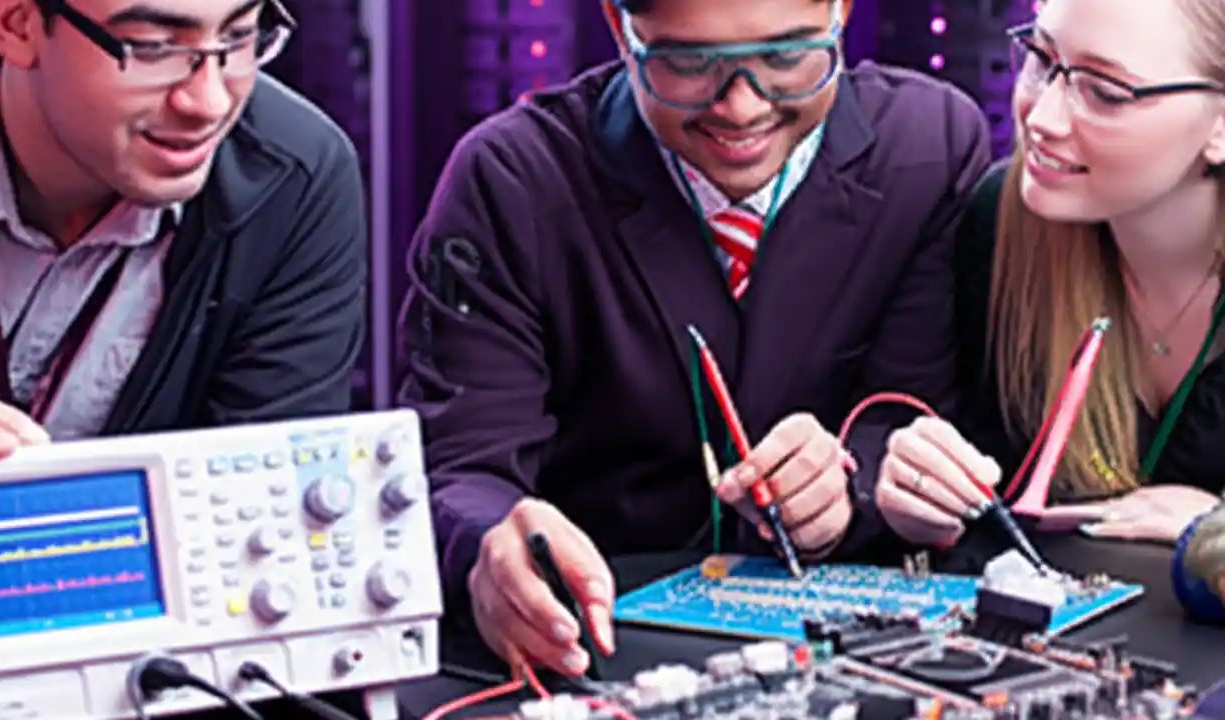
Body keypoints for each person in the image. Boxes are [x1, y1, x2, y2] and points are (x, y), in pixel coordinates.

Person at [398, 0, 991, 676]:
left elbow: (910, 414)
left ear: (841, 13)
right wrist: (492, 545)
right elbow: (462, 467)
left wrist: (851, 486)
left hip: (841, 649)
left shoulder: (929, 148)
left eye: (785, 56)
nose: (741, 108)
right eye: (688, 63)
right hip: (596, 641)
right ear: (620, 29)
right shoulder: (515, 177)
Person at [0, 0, 367, 457]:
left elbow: (270, 484)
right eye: (152, 48)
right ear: (18, 24)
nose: (210, 104)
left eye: (238, 36)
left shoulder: (293, 179)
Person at [876, 0, 1225, 552]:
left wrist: (1215, 537)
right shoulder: (997, 226)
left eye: (1105, 92)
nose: (1040, 117)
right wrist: (922, 501)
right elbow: (986, 524)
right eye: (1041, 59)